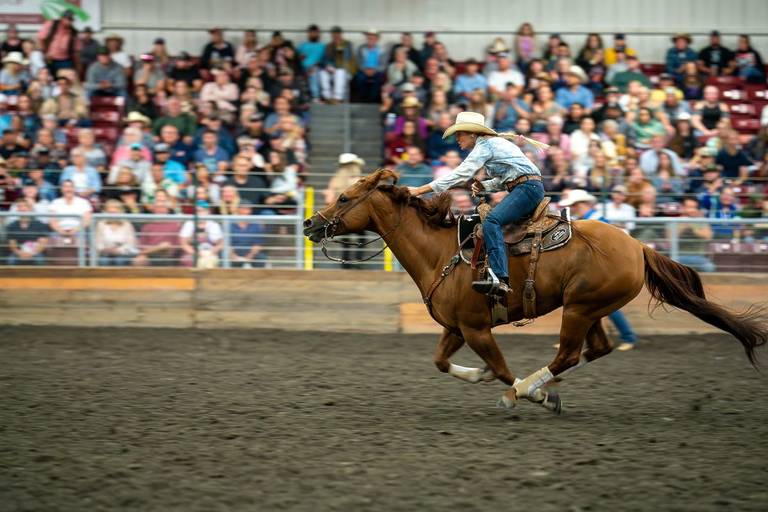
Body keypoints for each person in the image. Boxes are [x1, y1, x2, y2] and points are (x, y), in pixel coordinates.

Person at [407, 111, 544, 296]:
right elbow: (510, 178)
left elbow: (461, 173)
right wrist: (484, 185)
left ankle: (499, 278)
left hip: (527, 188)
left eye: (460, 133)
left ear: (472, 133)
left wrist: (420, 190)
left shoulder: (485, 146)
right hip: (527, 187)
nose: (457, 138)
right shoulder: (492, 145)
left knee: (491, 221)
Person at [559, 189, 638, 350]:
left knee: (605, 306)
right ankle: (576, 340)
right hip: (596, 269)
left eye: (573, 205)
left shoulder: (596, 221)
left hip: (604, 270)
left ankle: (628, 337)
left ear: (580, 204)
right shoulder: (589, 220)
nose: (572, 209)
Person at [676, 197, 716, 272]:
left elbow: (708, 237)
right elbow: (670, 239)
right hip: (679, 256)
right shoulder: (674, 221)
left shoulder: (701, 220)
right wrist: (684, 222)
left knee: (709, 267)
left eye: (693, 207)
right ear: (682, 208)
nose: (691, 210)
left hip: (698, 256)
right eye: (688, 207)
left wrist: (692, 225)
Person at [6, 198, 49, 265]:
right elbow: (12, 245)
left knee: (40, 260)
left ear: (30, 209)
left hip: (35, 252)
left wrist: (31, 253)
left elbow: (42, 243)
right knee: (11, 260)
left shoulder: (40, 224)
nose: (22, 209)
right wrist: (20, 253)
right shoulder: (12, 226)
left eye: (25, 206)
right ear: (17, 209)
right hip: (19, 252)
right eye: (19, 206)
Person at [96, 199, 139, 266]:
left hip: (123, 254)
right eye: (109, 208)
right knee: (103, 261)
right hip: (105, 253)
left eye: (116, 208)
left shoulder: (127, 224)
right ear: (106, 211)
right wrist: (105, 250)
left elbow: (131, 243)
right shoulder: (101, 224)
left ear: (121, 211)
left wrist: (119, 251)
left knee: (119, 260)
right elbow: (98, 242)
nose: (112, 210)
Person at [319, 26, 355, 104]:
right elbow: (324, 60)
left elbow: (348, 58)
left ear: (341, 35)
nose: (335, 36)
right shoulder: (329, 46)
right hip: (332, 71)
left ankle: (337, 98)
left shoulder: (347, 44)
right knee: (322, 73)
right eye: (334, 35)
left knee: (340, 72)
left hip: (346, 70)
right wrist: (327, 66)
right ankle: (327, 97)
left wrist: (340, 48)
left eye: (337, 34)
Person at [36, 9, 80, 74]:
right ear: (62, 18)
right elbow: (40, 37)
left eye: (71, 20)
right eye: (68, 19)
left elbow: (76, 51)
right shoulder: (52, 24)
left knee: (65, 80)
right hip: (50, 59)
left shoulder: (74, 32)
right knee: (49, 78)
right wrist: (44, 52)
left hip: (65, 60)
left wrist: (77, 65)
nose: (70, 22)